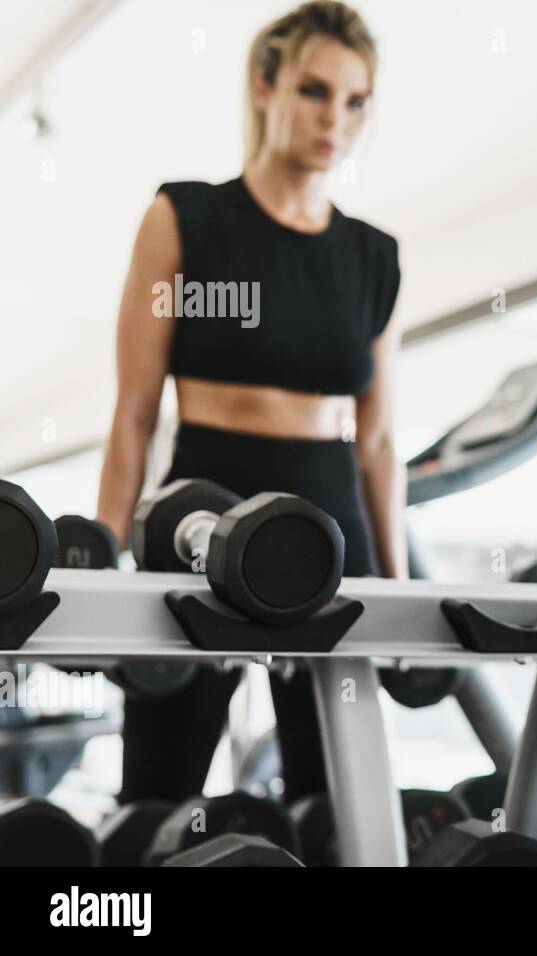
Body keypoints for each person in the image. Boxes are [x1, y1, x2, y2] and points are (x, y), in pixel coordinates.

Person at [95, 1, 405, 805]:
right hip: (198, 522)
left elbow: (377, 445)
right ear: (265, 86)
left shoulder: (374, 258)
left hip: (332, 533)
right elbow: (134, 411)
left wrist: (406, 595)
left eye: (355, 100)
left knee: (339, 805)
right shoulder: (184, 217)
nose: (334, 118)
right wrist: (99, 561)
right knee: (157, 800)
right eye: (313, 90)